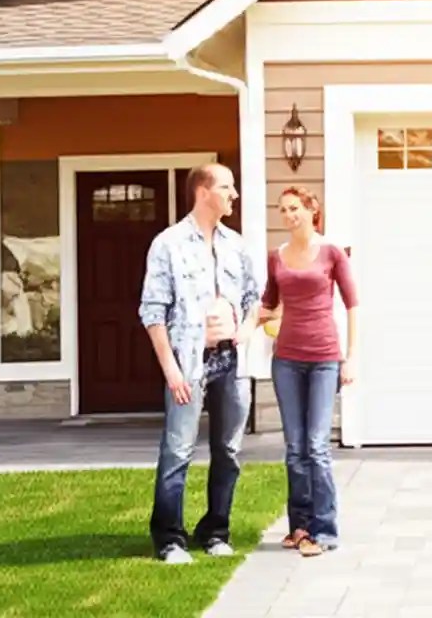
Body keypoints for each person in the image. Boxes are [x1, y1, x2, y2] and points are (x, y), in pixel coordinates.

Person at [139, 163, 261, 565]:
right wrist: (171, 370)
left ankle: (215, 530)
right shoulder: (168, 244)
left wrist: (243, 330)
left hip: (231, 362)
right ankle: (169, 539)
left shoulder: (236, 245)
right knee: (178, 450)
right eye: (227, 187)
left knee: (228, 450)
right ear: (203, 192)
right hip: (189, 364)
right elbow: (153, 313)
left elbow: (252, 299)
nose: (234, 194)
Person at [260, 186, 358, 557]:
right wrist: (239, 328)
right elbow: (269, 304)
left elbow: (352, 305)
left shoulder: (332, 253)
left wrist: (351, 357)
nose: (289, 215)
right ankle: (299, 527)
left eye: (295, 208)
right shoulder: (276, 257)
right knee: (294, 448)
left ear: (311, 209)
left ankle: (326, 530)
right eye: (283, 210)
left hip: (323, 359)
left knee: (317, 447)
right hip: (286, 359)